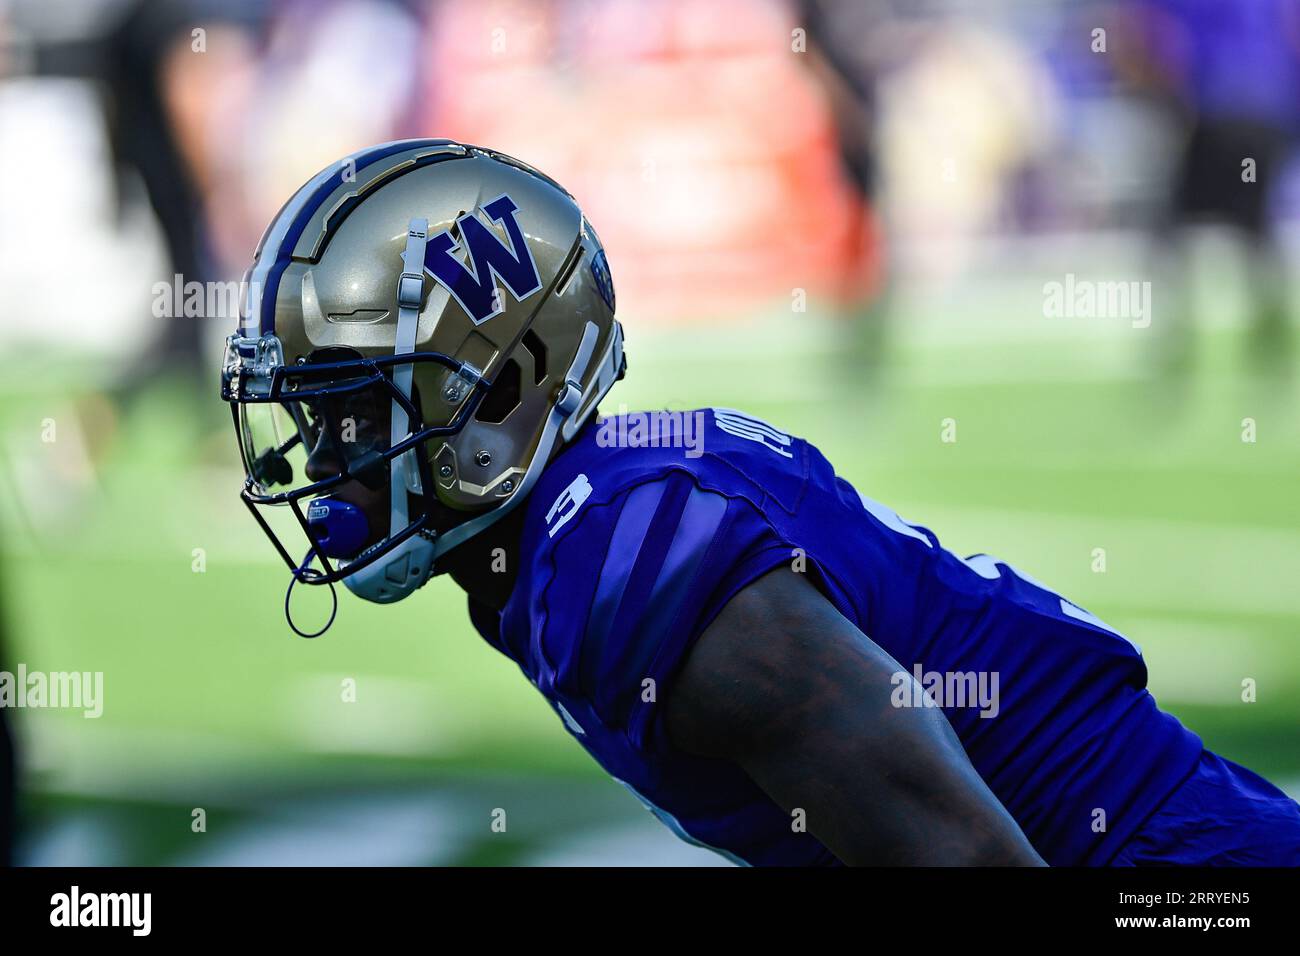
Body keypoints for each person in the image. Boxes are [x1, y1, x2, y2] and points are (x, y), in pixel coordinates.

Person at [221, 139, 1300, 866]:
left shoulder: (626, 567)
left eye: (355, 412)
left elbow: (967, 857)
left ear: (499, 387)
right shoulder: (573, 530)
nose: (322, 456)